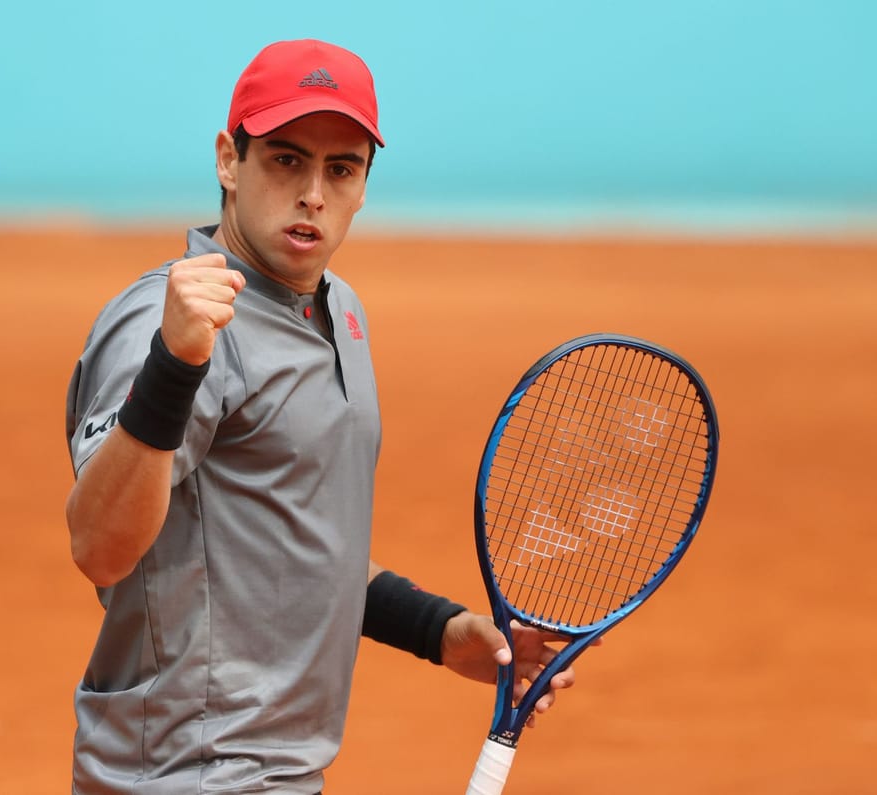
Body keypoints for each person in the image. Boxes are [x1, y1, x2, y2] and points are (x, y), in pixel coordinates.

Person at [63, 38, 580, 794]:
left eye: (341, 168)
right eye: (285, 159)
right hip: (181, 772)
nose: (313, 192)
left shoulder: (341, 311)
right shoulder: (163, 318)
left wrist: (437, 630)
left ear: (364, 185)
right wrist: (174, 362)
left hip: (283, 772)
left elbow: (292, 545)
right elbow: (99, 546)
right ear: (227, 160)